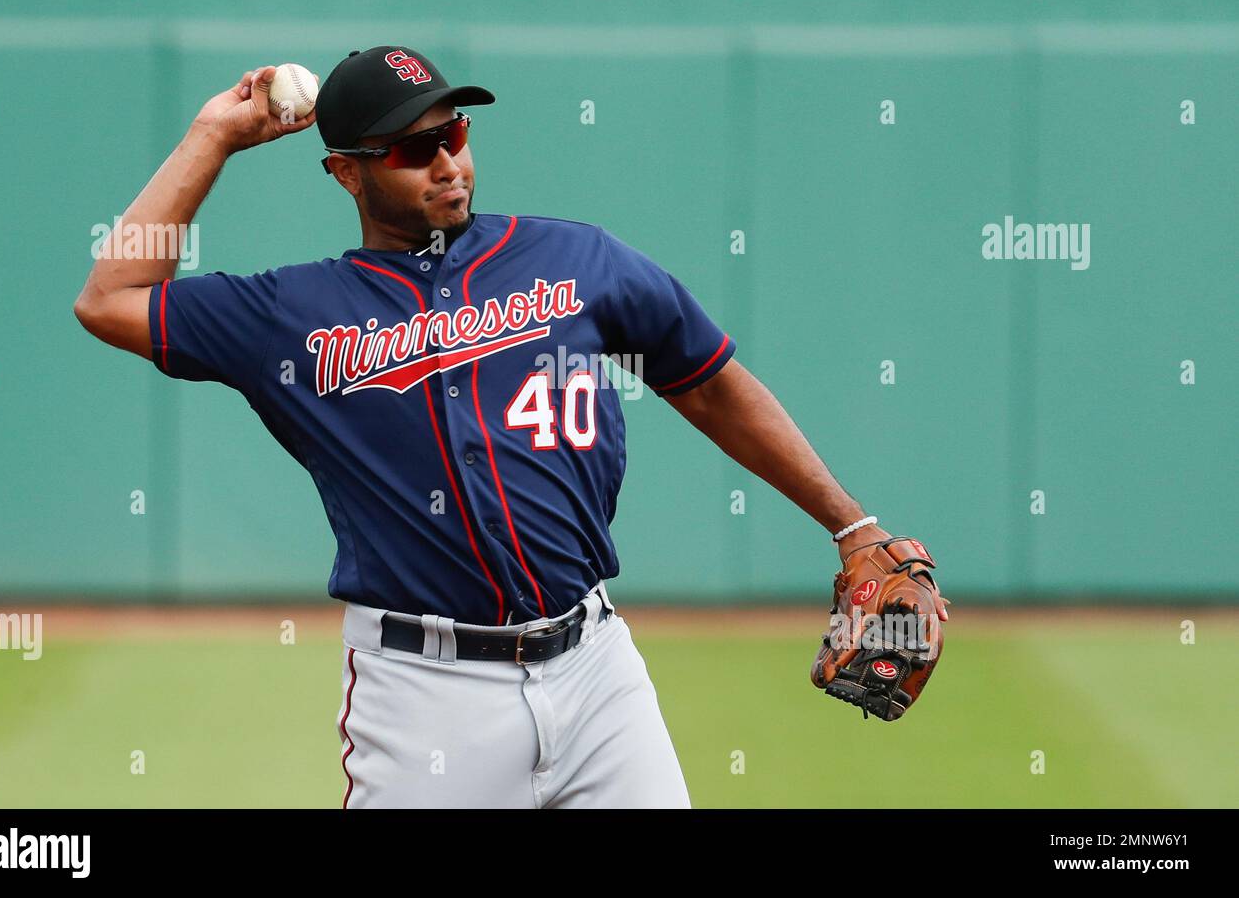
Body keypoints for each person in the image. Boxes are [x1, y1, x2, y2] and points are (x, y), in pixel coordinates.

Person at [74, 45, 900, 808]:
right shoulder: (288, 315)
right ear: (346, 174)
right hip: (426, 695)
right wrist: (214, 136)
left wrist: (851, 525)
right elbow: (109, 299)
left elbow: (713, 387)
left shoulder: (579, 261)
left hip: (595, 668)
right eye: (409, 148)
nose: (446, 163)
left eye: (454, 132)